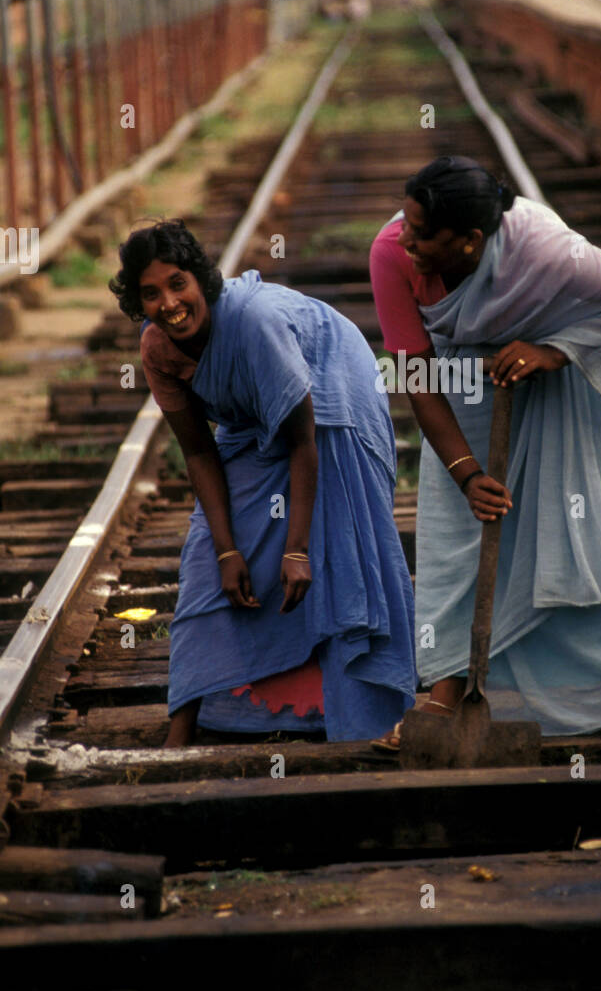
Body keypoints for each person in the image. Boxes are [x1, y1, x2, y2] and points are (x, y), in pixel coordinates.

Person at [368, 155, 601, 749]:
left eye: (424, 234)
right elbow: (416, 377)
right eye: (408, 223)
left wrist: (555, 349)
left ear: (472, 241)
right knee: (455, 539)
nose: (407, 239)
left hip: (555, 391)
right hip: (466, 391)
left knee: (588, 530)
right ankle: (447, 687)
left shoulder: (547, 252)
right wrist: (465, 473)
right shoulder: (391, 252)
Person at [109, 220, 416, 748]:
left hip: (332, 387)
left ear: (201, 280)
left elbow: (303, 442)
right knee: (207, 554)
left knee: (337, 546)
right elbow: (201, 452)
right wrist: (229, 552)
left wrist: (296, 549)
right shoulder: (158, 349)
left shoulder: (253, 324)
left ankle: (359, 722)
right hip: (251, 415)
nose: (170, 303)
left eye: (178, 283)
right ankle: (183, 727)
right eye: (151, 294)